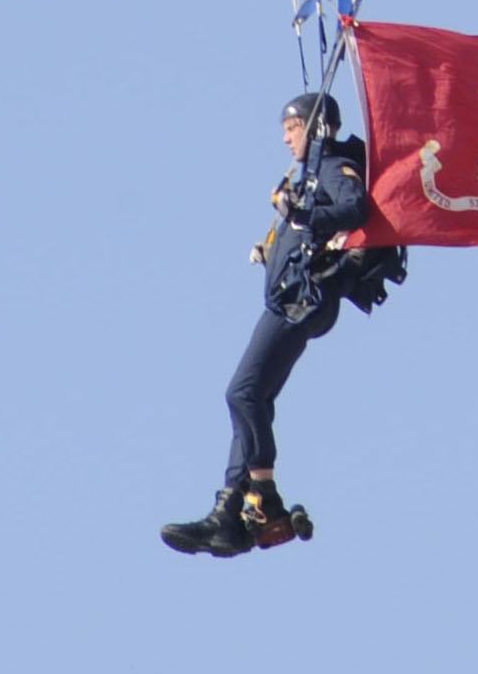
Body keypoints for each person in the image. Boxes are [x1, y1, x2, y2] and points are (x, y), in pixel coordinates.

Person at [159, 92, 371, 556]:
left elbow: (356, 208)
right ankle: (229, 517)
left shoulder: (332, 167)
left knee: (243, 394)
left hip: (303, 298)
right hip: (293, 297)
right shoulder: (312, 175)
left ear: (314, 127)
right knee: (254, 401)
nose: (284, 136)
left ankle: (264, 494)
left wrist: (303, 216)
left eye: (291, 127)